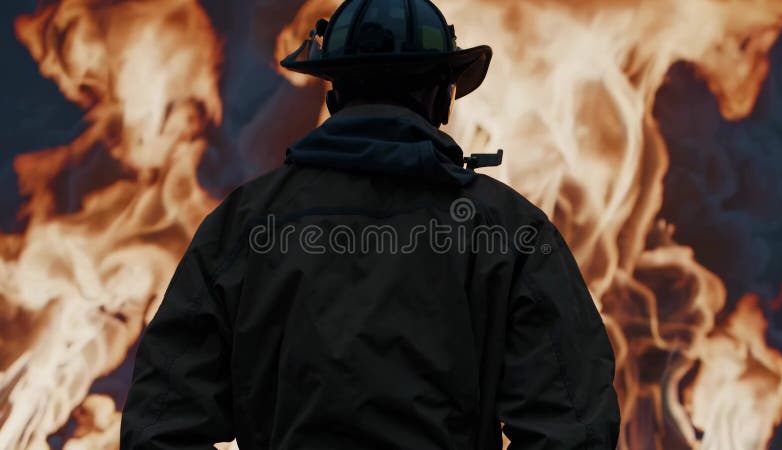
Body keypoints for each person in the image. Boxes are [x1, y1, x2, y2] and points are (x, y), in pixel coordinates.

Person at [119, 0, 621, 449]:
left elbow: (161, 425)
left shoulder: (244, 227)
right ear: (442, 98)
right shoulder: (508, 231)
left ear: (334, 98)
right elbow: (573, 429)